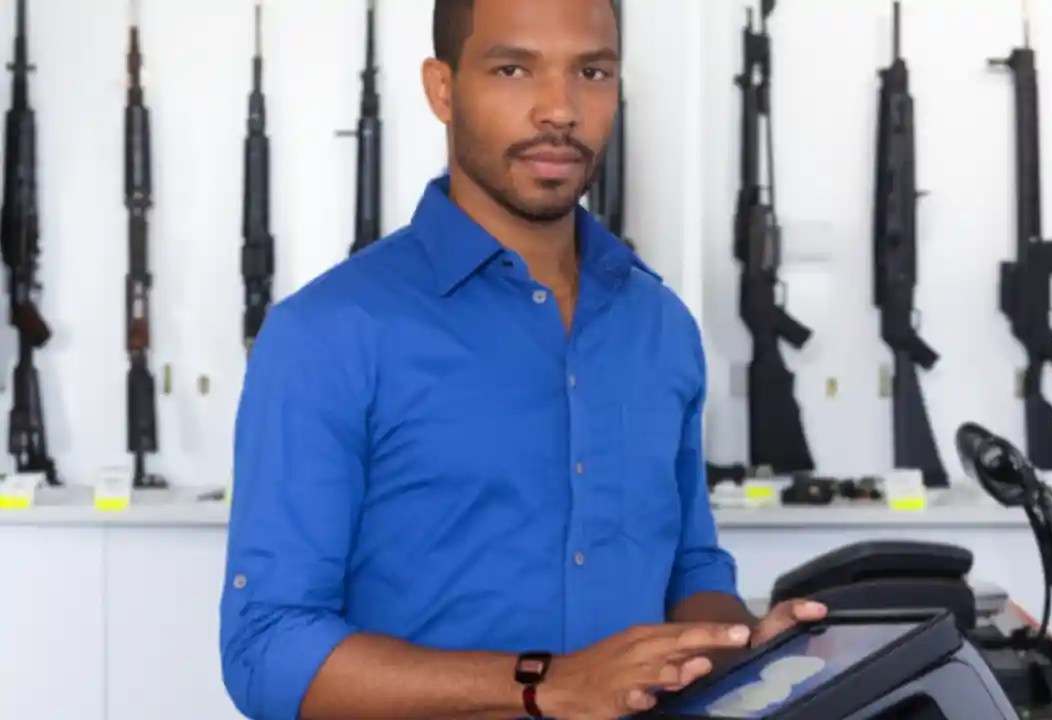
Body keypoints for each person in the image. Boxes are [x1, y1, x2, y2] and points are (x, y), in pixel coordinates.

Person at [218, 0, 826, 718]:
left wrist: (737, 643)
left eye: (591, 71)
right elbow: (267, 649)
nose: (560, 109)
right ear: (442, 89)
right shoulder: (326, 334)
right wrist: (546, 684)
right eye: (513, 68)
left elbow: (689, 566)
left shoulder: (661, 328)